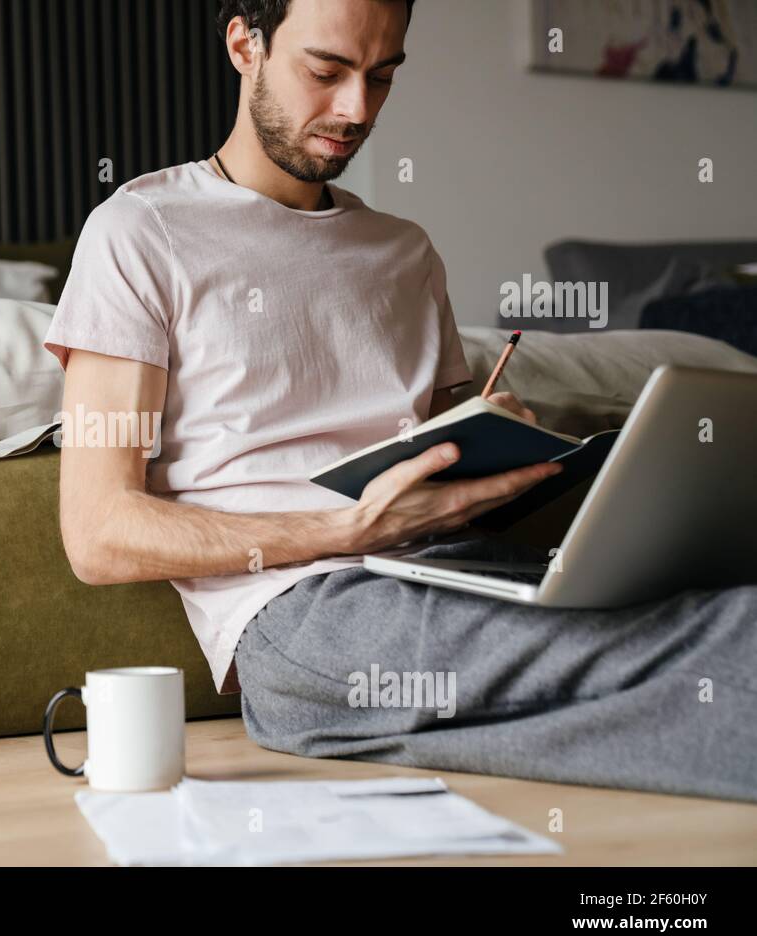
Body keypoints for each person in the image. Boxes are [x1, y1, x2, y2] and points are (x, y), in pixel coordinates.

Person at [42, 0, 757, 802]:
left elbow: (449, 457)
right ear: (246, 42)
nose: (356, 110)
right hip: (309, 608)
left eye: (382, 76)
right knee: (722, 637)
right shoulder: (139, 232)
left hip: (457, 570)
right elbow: (98, 532)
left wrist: (501, 448)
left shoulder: (404, 251)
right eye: (327, 71)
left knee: (696, 624)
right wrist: (349, 527)